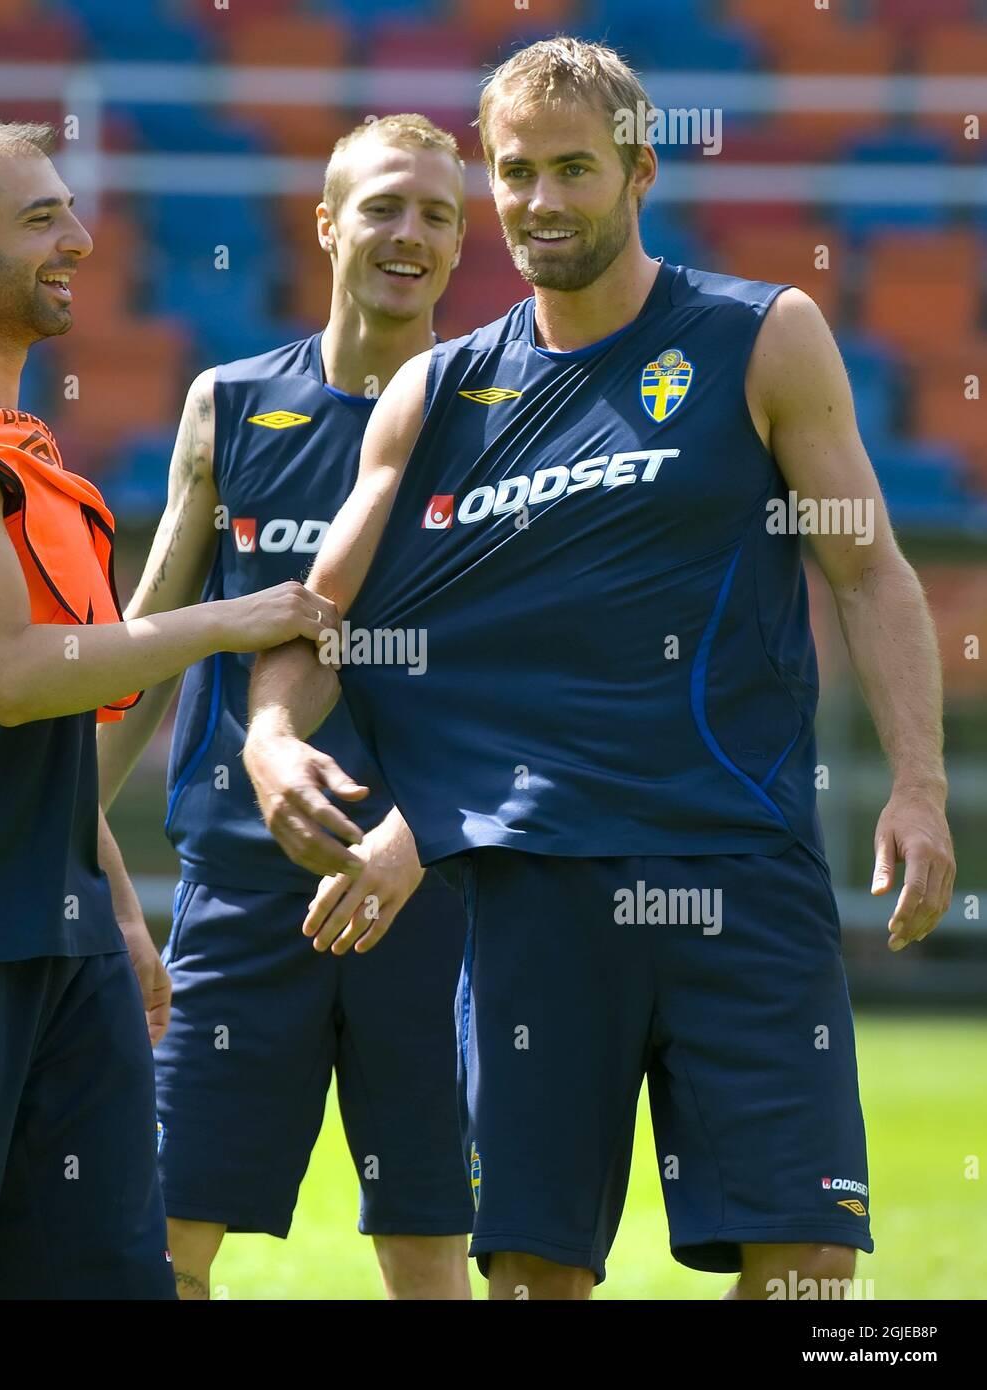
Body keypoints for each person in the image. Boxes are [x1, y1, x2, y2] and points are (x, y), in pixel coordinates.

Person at [241, 40, 956, 1301]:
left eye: (573, 168)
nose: (539, 201)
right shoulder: (436, 394)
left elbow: (869, 573)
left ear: (639, 170)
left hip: (738, 864)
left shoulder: (759, 335)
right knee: (528, 1274)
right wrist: (270, 736)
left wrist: (916, 787)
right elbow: (317, 613)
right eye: (514, 172)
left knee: (808, 1266)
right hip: (531, 892)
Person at [0, 122, 335, 1301]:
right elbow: (13, 674)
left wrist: (118, 909)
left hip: (63, 939)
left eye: (70, 212)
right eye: (39, 218)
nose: (80, 240)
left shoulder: (23, 453)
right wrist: (224, 623)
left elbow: (45, 730)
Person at [99, 115, 475, 1301]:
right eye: (382, 206)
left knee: (427, 1252)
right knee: (157, 1243)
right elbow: (150, 637)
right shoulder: (227, 404)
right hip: (242, 887)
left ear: (464, 244)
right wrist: (67, 816)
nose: (407, 233)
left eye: (436, 213)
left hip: (435, 886)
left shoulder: (507, 421)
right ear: (326, 224)